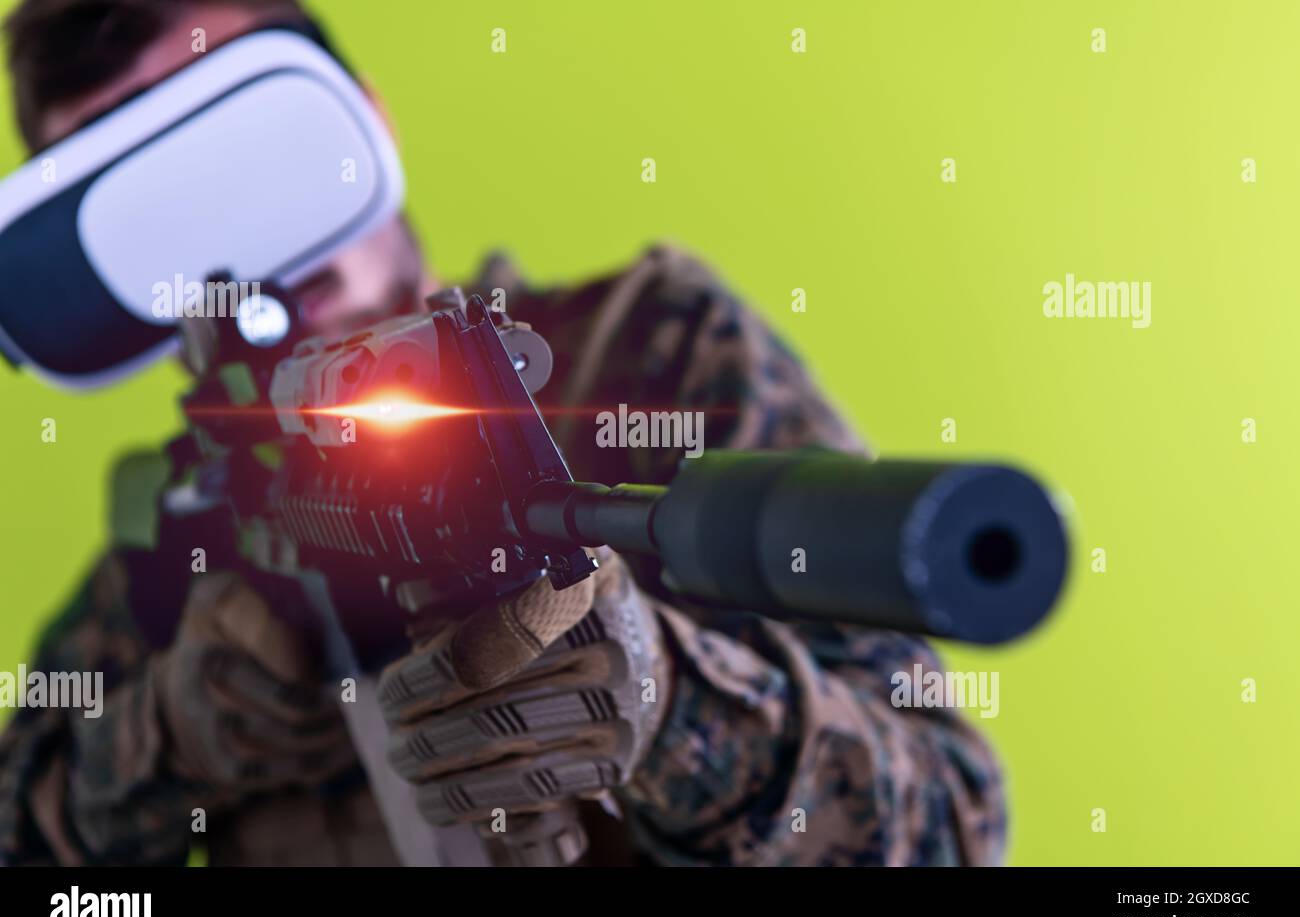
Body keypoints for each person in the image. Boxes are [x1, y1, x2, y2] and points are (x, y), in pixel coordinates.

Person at [0, 0, 1005, 866]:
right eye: (158, 208)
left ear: (367, 126)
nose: (247, 237)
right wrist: (163, 741)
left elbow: (951, 826)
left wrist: (673, 712)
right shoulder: (179, 534)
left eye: (250, 150)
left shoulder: (652, 354)